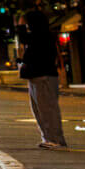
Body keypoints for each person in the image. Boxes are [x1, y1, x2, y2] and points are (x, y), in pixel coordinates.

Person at [20, 10, 67, 146]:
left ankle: (54, 139)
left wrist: (21, 25)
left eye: (28, 24)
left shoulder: (42, 35)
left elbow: (24, 38)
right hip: (38, 76)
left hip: (43, 77)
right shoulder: (42, 35)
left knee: (47, 109)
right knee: (40, 110)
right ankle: (49, 138)